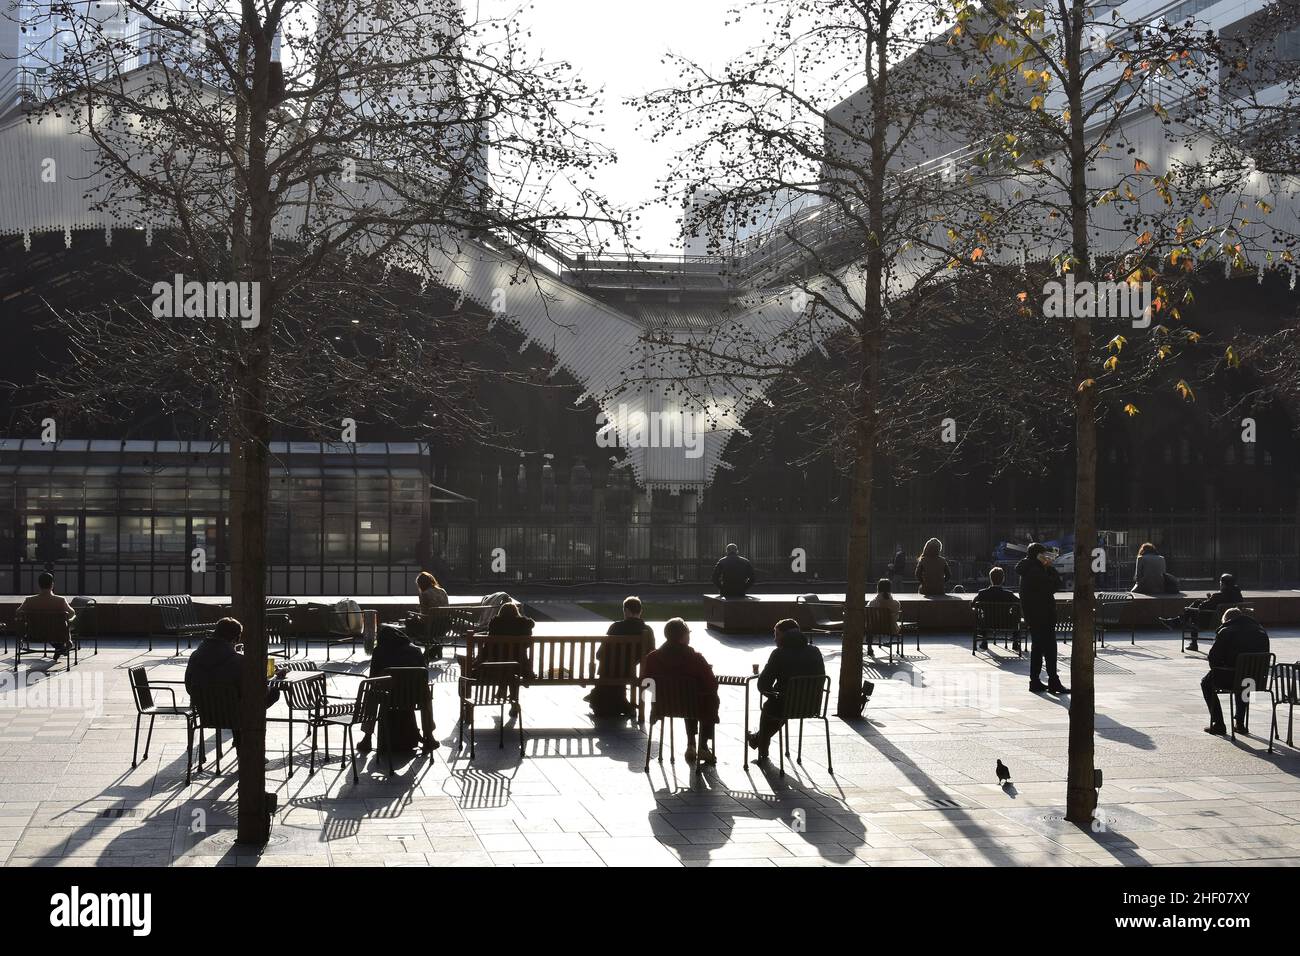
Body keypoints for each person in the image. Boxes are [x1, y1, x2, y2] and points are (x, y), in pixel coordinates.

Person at [641, 618, 720, 764]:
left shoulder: (652, 658)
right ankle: (702, 745)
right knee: (708, 698)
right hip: (692, 707)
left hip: (662, 707)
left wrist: (655, 700)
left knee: (690, 698)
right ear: (683, 637)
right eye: (688, 633)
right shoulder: (695, 658)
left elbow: (645, 683)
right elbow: (712, 684)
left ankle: (691, 744)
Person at [748, 619, 825, 762]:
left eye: (776, 634)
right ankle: (757, 739)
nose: (774, 638)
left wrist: (772, 695)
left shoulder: (779, 653)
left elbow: (763, 684)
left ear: (784, 635)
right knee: (787, 702)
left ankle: (762, 746)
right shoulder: (815, 651)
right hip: (812, 705)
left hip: (787, 705)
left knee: (772, 706)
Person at [357, 624, 436, 754]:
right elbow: (424, 677)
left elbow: (373, 678)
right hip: (413, 697)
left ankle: (367, 737)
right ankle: (429, 735)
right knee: (426, 693)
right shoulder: (415, 650)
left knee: (371, 694)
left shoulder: (379, 651)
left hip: (388, 697)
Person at [1201, 608, 1270, 736]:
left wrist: (1217, 669)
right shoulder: (1261, 631)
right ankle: (1240, 723)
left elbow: (1214, 658)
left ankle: (1219, 724)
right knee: (1245, 682)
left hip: (1230, 676)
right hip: (1254, 680)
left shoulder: (1226, 631)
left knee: (1206, 683)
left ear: (1226, 620)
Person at [185, 617, 281, 708]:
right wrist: (272, 678)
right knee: (274, 692)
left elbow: (189, 685)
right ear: (236, 639)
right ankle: (249, 722)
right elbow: (256, 687)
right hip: (233, 714)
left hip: (205, 711)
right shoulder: (238, 661)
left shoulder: (195, 656)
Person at [589, 596, 655, 719]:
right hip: (630, 671)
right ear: (640, 611)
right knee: (620, 667)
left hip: (608, 671)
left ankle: (608, 701)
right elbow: (651, 654)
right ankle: (621, 704)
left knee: (608, 663)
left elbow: (599, 654)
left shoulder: (615, 627)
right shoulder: (647, 630)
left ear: (626, 611)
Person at [1016, 543, 1068, 695]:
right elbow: (1054, 585)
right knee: (1050, 649)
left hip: (1033, 615)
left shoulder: (1027, 568)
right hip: (1043, 615)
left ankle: (1035, 681)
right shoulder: (1036, 571)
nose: (1047, 557)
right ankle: (1053, 681)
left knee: (1038, 648)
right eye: (1044, 554)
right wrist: (1050, 568)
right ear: (1038, 555)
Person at [1161, 573, 1245, 652]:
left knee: (1195, 606)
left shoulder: (1217, 596)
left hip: (1209, 622)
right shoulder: (1238, 596)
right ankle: (1177, 621)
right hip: (1232, 622)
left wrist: (1209, 599)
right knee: (1196, 605)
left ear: (1223, 584)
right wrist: (1210, 599)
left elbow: (1202, 607)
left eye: (1220, 582)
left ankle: (1179, 624)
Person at [479, 601, 536, 715]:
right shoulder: (524, 624)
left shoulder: (496, 623)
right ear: (516, 612)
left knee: (505, 667)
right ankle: (513, 700)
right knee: (511, 671)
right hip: (520, 666)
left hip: (496, 665)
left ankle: (502, 690)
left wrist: (480, 659)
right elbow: (527, 644)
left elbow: (490, 645)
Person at [15, 572, 75, 661]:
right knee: (63, 623)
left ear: (39, 585)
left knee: (45, 627)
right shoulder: (60, 600)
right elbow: (72, 613)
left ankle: (60, 648)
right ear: (52, 585)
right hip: (57, 635)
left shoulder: (29, 600)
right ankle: (63, 645)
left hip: (34, 634)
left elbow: (18, 612)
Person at [972, 566, 1021, 652]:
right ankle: (1015, 642)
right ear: (1003, 579)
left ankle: (984, 640)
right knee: (1016, 612)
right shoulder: (1008, 594)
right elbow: (1020, 603)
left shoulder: (982, 593)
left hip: (987, 622)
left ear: (990, 579)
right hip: (1006, 623)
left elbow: (973, 604)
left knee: (979, 615)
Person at [866, 577, 901, 657]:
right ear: (890, 589)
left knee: (869, 625)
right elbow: (896, 617)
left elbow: (867, 615)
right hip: (890, 628)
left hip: (873, 628)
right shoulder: (896, 603)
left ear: (878, 588)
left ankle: (869, 647)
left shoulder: (872, 603)